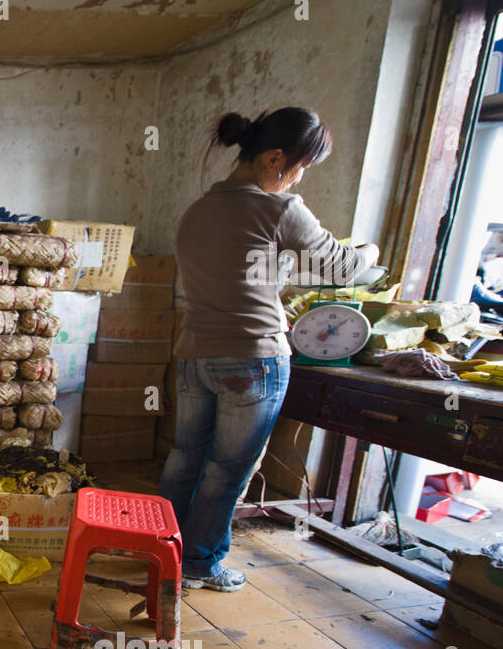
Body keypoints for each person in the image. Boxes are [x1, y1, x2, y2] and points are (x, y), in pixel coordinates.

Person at [158, 108, 378, 591]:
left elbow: (240, 275)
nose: (299, 177)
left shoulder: (197, 211)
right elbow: (343, 268)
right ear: (274, 158)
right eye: (300, 166)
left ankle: (160, 552)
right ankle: (198, 564)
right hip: (253, 359)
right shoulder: (279, 208)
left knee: (185, 458)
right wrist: (371, 253)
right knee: (226, 470)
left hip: (195, 355)